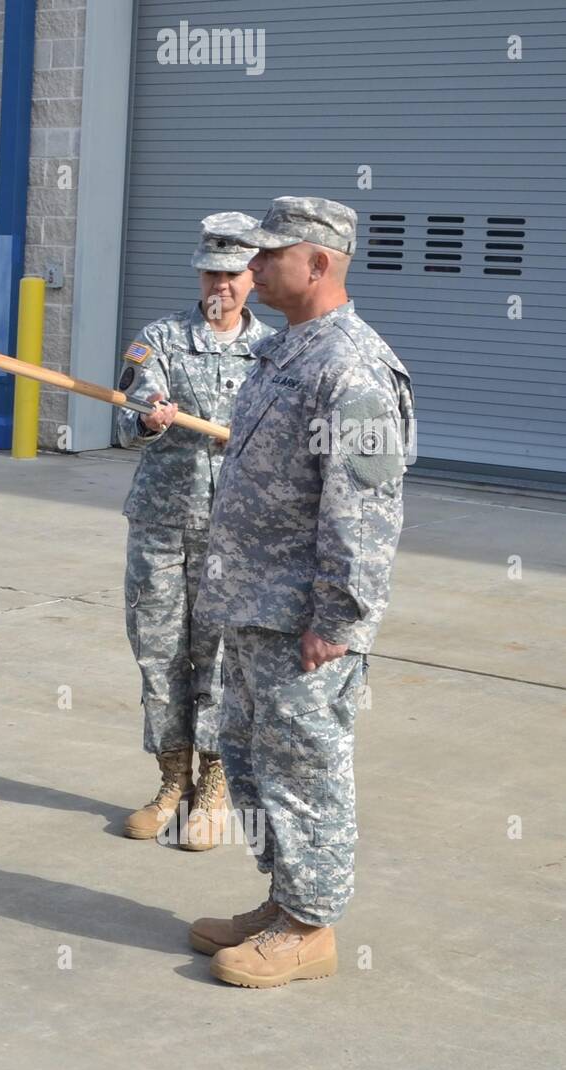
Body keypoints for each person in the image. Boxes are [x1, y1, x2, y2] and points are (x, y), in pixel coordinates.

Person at [190, 196, 415, 988]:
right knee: (253, 763)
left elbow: (365, 510)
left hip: (302, 622)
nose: (252, 268)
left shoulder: (350, 367)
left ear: (318, 264)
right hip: (253, 608)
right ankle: (283, 900)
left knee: (306, 770)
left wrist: (338, 617)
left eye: (270, 256)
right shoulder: (288, 351)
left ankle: (311, 927)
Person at [116, 213, 273, 850]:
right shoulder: (161, 339)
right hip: (160, 523)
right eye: (212, 273)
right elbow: (130, 421)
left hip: (234, 533)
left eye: (233, 275)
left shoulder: (273, 353)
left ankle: (214, 786)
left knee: (219, 659)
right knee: (158, 654)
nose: (221, 286)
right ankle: (171, 781)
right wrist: (151, 419)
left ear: (253, 279)